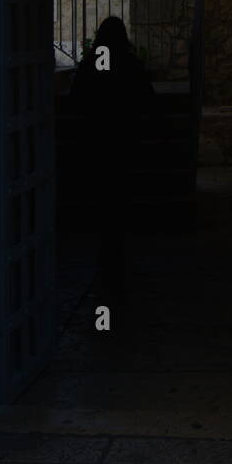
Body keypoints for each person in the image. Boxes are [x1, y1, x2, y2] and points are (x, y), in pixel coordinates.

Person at [68, 16, 155, 286]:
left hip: (96, 144)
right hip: (123, 144)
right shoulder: (132, 65)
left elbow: (75, 102)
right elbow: (148, 102)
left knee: (102, 201)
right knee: (118, 200)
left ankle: (106, 254)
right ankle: (114, 255)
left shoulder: (88, 67)